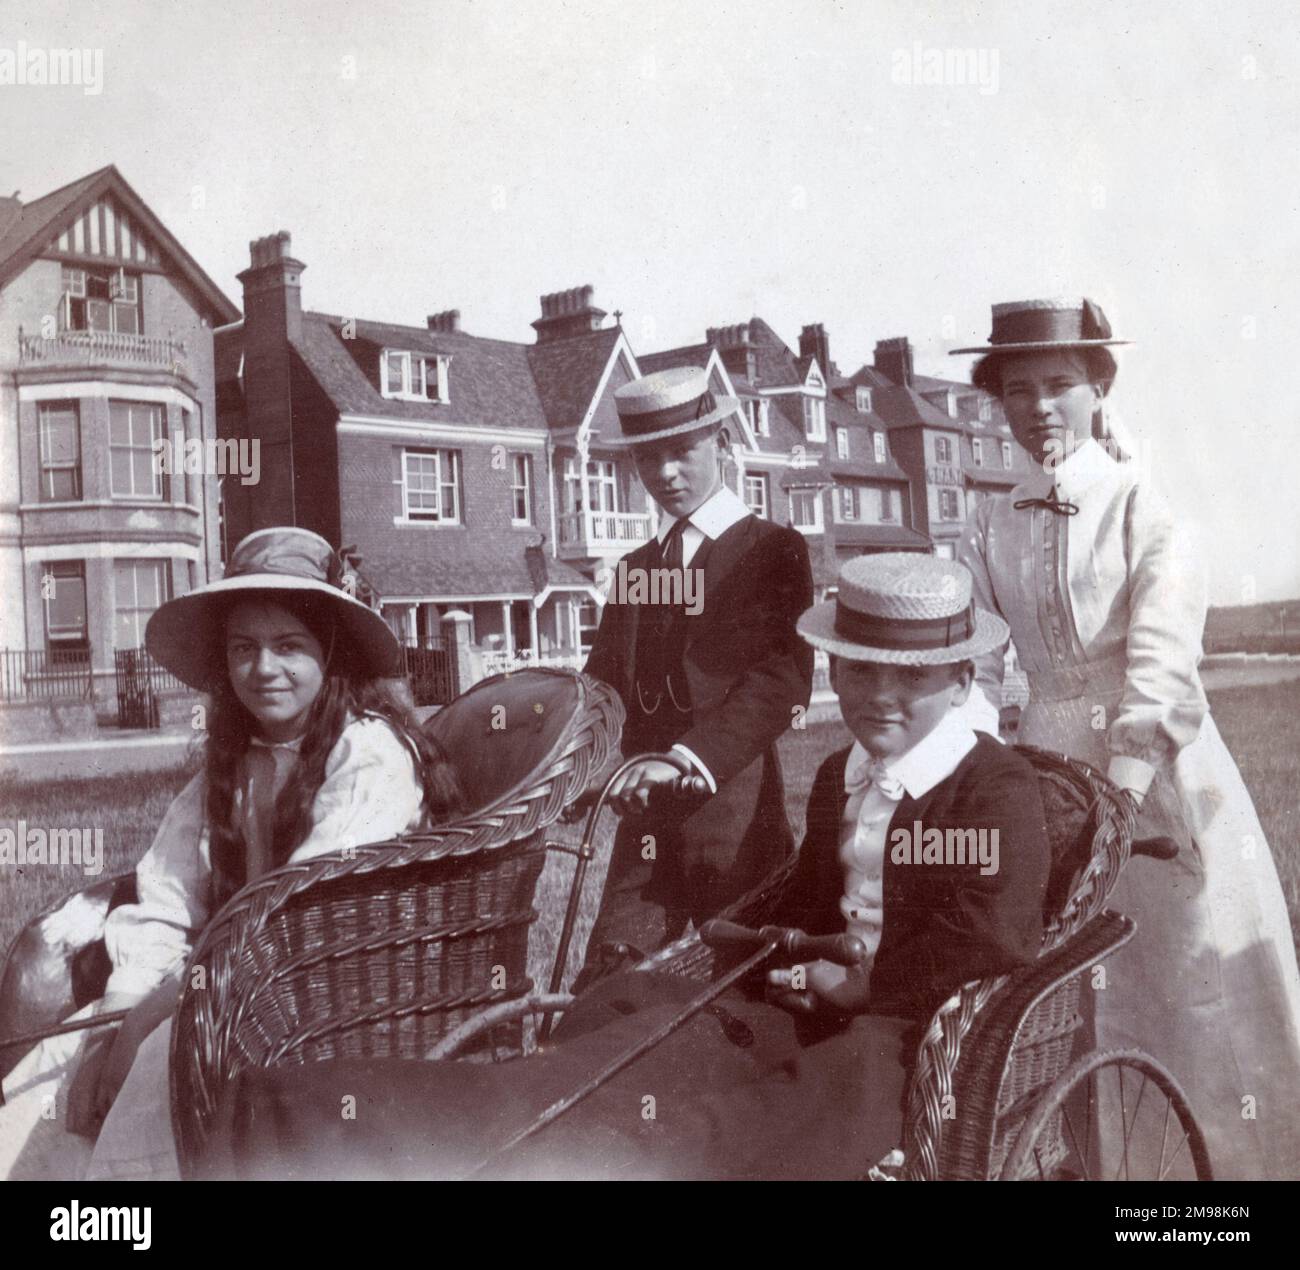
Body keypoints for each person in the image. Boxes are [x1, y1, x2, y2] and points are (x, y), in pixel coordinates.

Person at [197, 554, 1051, 1181]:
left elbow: (990, 946)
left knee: (670, 1138)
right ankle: (302, 1117)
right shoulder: (844, 774)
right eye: (857, 669)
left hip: (896, 1049)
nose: (875, 697)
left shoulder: (993, 792)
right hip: (788, 1006)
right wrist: (781, 954)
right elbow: (802, 895)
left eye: (911, 677)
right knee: (594, 1058)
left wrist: (857, 986)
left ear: (962, 677)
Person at [953, 296, 1300, 1179]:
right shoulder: (990, 522)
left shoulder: (1148, 507)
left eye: (1060, 384)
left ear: (1100, 387)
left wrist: (1126, 786)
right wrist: (974, 759)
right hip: (1045, 770)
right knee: (1066, 998)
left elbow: (1163, 657)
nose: (1039, 407)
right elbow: (981, 659)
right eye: (1018, 389)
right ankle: (1099, 1176)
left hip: (1151, 770)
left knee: (1181, 981)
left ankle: (1210, 1187)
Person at [0, 526, 461, 1180]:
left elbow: (293, 923)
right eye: (244, 648)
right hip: (212, 986)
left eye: (288, 646)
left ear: (330, 654)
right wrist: (116, 1016)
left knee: (151, 1076)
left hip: (317, 997)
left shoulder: (369, 758)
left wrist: (144, 1024)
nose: (264, 669)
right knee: (55, 1074)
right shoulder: (231, 765)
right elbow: (164, 898)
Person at [577, 365, 814, 980]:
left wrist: (685, 758)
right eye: (649, 459)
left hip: (732, 818)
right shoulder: (637, 567)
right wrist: (573, 758)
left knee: (744, 987)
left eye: (683, 452)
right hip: (643, 822)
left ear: (724, 444)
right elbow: (601, 682)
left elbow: (780, 681)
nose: (665, 474)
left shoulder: (771, 550)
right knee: (609, 985)